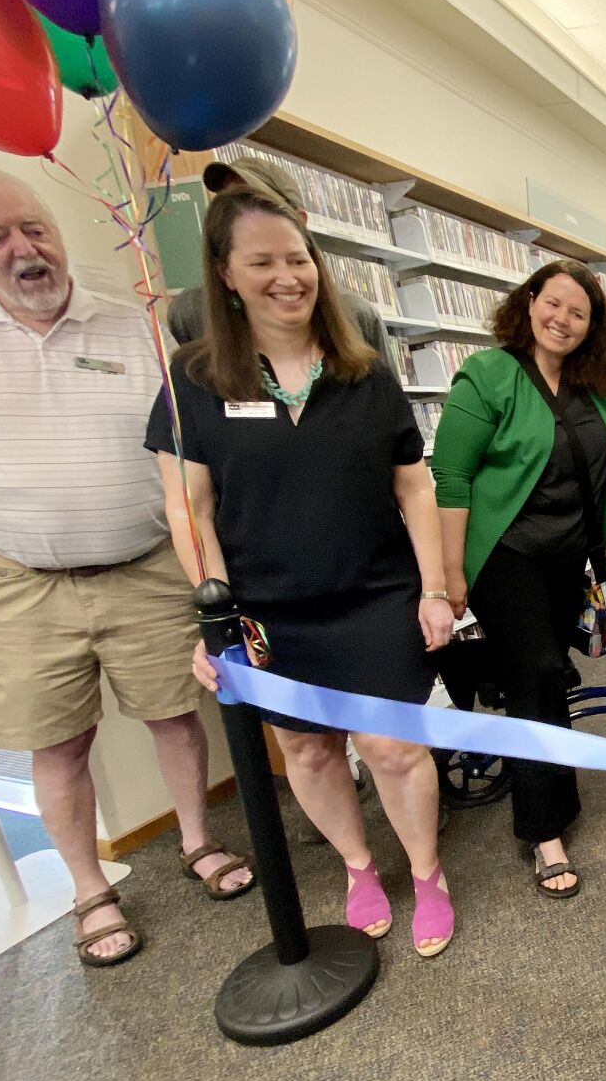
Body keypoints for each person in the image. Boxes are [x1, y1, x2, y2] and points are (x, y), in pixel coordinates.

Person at [0, 169, 252, 968]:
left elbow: (184, 452)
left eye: (34, 228)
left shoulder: (129, 325)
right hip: (16, 585)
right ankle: (89, 887)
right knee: (55, 744)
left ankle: (194, 840)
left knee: (175, 715)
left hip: (145, 565)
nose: (25, 249)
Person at [148, 186, 455, 958]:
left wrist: (434, 589)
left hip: (376, 597)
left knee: (392, 747)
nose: (287, 277)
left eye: (297, 259)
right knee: (310, 750)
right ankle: (358, 868)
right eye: (262, 263)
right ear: (224, 274)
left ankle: (426, 873)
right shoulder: (193, 380)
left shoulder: (365, 372)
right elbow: (189, 507)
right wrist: (214, 619)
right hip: (267, 611)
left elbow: (414, 486)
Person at [431, 259, 606, 899]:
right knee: (535, 679)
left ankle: (494, 696)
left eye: (579, 313)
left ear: (595, 328)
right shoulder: (490, 374)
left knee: (548, 674)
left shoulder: (594, 384)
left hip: (569, 557)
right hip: (507, 556)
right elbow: (450, 478)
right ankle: (544, 831)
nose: (562, 319)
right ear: (529, 303)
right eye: (552, 303)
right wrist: (452, 576)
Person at [166, 155, 394, 375]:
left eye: (257, 203)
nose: (240, 214)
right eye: (227, 202)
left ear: (299, 221)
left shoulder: (356, 315)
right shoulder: (190, 312)